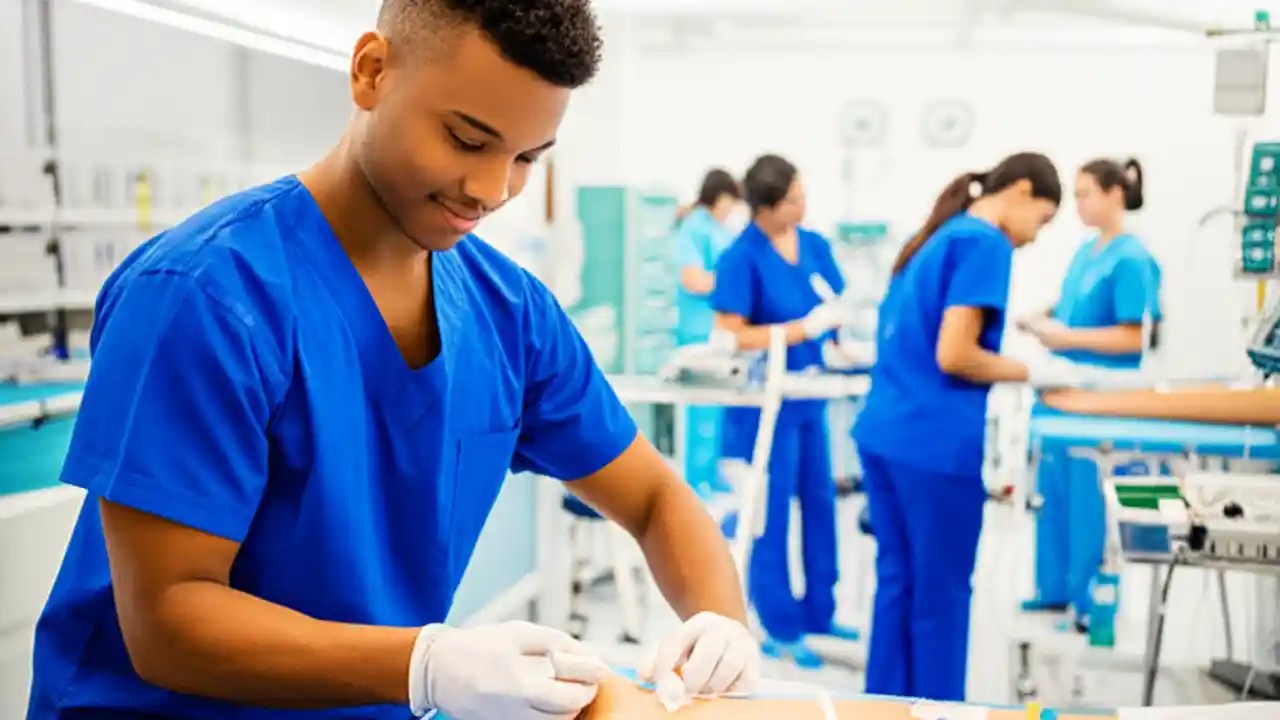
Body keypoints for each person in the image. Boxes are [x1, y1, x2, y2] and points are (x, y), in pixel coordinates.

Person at [27, 3, 760, 719]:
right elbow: (167, 621)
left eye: (526, 159)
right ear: (372, 72)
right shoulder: (206, 296)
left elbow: (654, 499)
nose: (491, 190)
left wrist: (719, 625)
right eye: (466, 139)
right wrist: (426, 665)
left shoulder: (511, 317)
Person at [852, 152, 1066, 701]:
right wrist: (1034, 372)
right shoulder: (984, 243)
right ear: (1020, 190)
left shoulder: (937, 236)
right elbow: (955, 354)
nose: (1035, 237)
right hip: (932, 447)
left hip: (885, 434)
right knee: (940, 596)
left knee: (898, 585)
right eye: (1042, 220)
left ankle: (882, 710)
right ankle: (938, 711)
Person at [710, 154, 859, 670]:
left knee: (820, 504)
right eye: (793, 200)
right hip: (765, 409)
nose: (802, 206)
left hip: (810, 399)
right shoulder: (741, 257)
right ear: (766, 207)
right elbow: (732, 333)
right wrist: (798, 331)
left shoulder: (814, 245)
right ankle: (780, 624)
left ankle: (820, 611)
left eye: (803, 195)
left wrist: (841, 339)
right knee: (769, 517)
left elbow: (836, 308)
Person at [1019, 158, 1162, 625]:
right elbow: (1071, 304)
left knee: (1088, 502)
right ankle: (1053, 589)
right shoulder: (1087, 252)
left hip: (1101, 401)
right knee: (1053, 493)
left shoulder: (1132, 259)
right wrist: (1039, 318)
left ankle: (1089, 599)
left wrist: (1065, 337)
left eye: (1084, 194)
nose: (1077, 204)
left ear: (1115, 193)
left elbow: (1133, 337)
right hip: (1063, 394)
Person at [675, 168, 743, 496]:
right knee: (699, 413)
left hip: (718, 332)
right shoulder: (693, 228)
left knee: (715, 410)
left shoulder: (719, 229)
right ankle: (695, 481)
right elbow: (692, 279)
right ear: (719, 197)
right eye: (730, 202)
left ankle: (710, 474)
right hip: (697, 331)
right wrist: (731, 285)